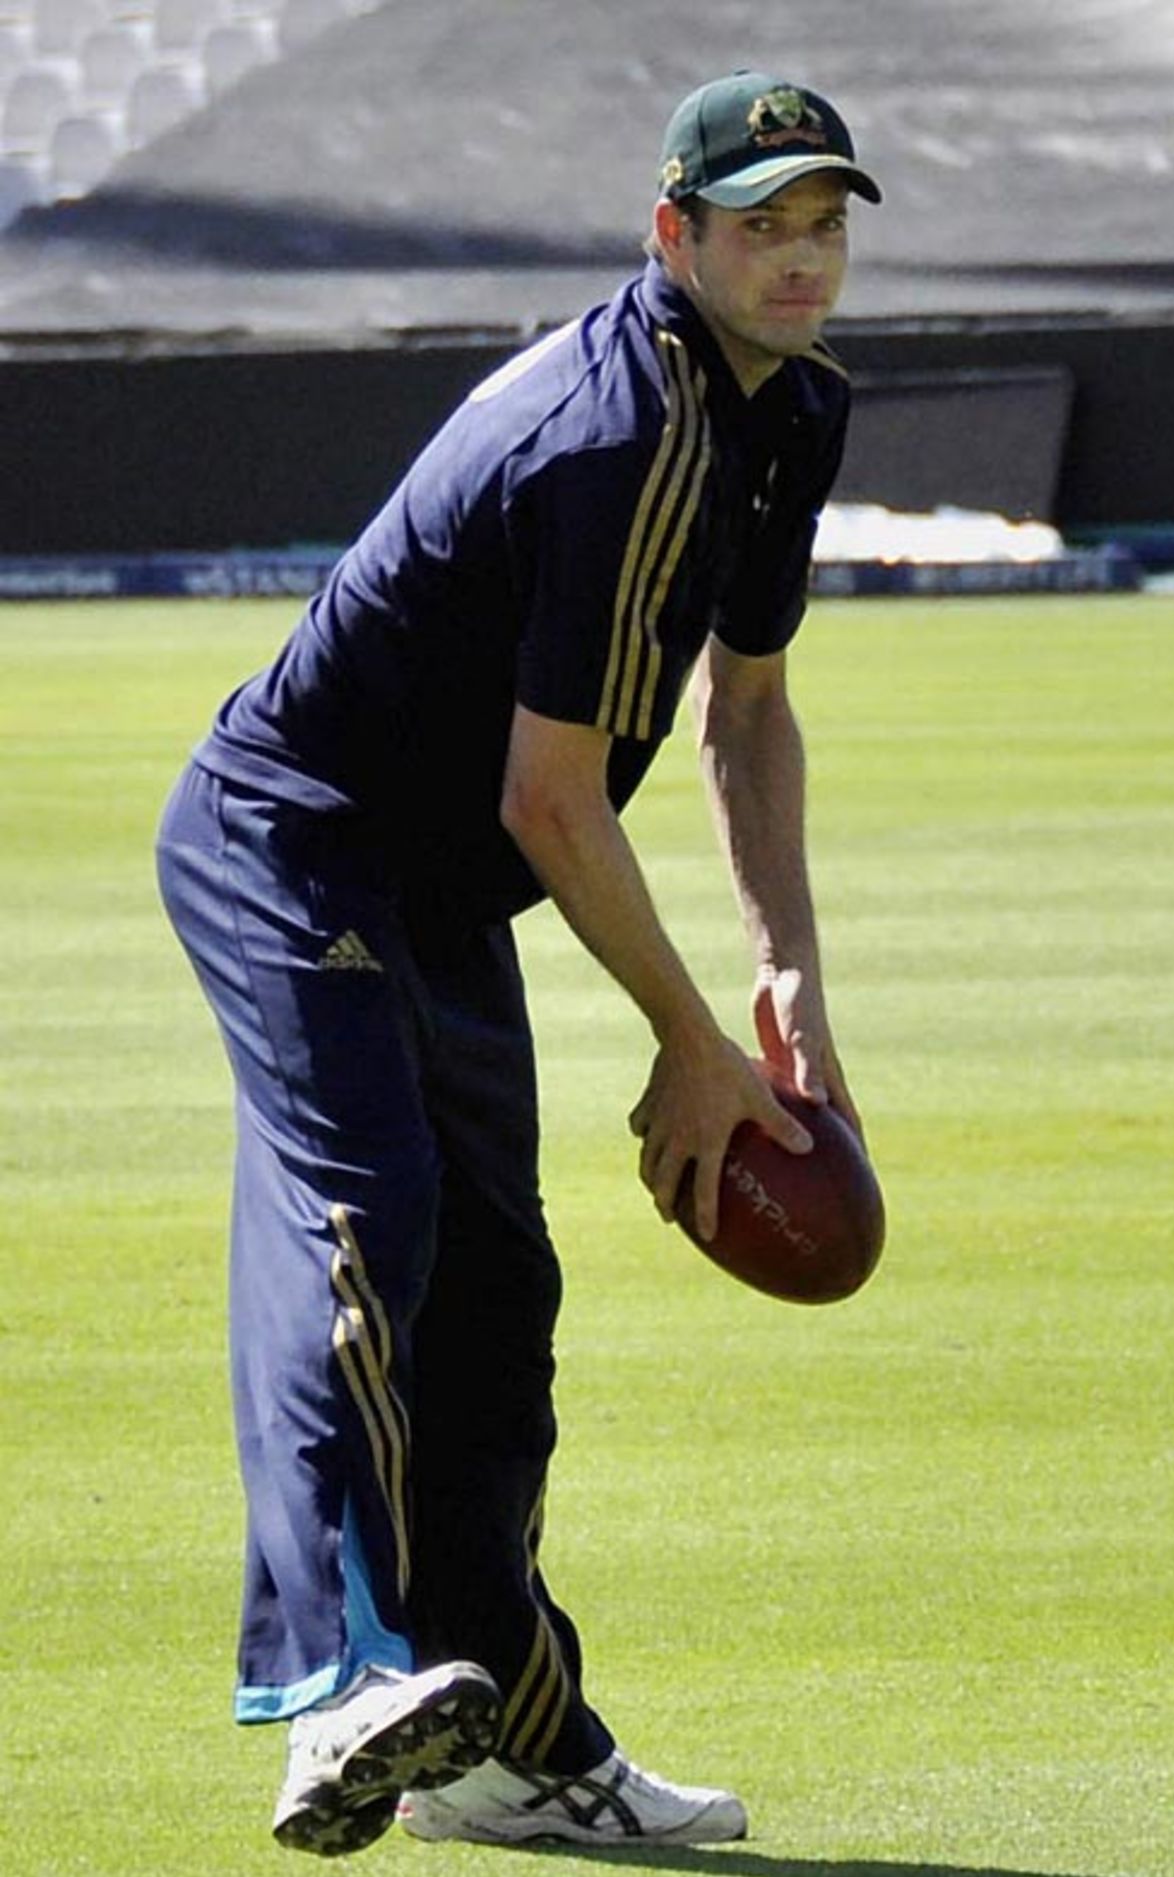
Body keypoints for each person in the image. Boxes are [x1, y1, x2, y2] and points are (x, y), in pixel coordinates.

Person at [156, 67, 881, 1857]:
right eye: (758, 227)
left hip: (447, 880)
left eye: (823, 226)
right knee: (363, 1212)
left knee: (499, 1299)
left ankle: (515, 1745)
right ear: (673, 235)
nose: (799, 262)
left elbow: (749, 709)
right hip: (296, 834)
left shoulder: (792, 414)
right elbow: (558, 802)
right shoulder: (611, 431)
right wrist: (694, 1045)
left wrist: (784, 983)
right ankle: (336, 1683)